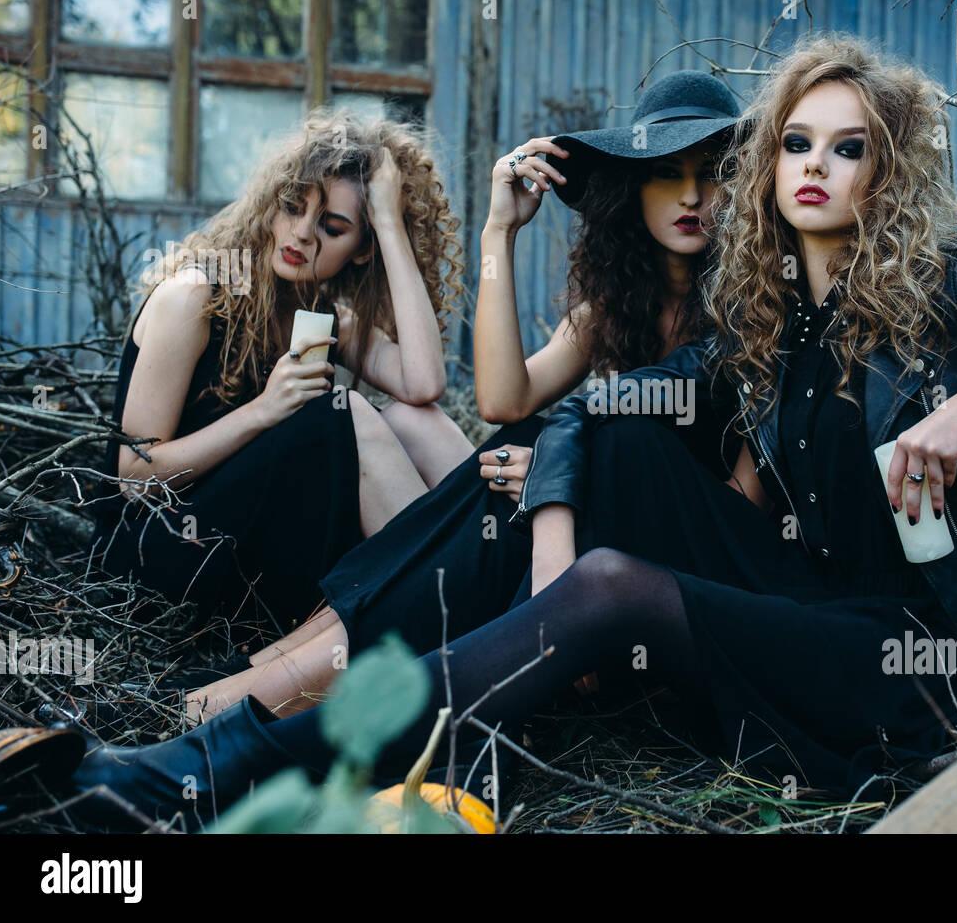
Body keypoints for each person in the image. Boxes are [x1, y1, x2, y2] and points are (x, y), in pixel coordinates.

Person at [0, 36, 957, 828]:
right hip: (811, 601)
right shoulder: (761, 322)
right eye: (793, 142)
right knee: (561, 462)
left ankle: (209, 766)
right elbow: (584, 407)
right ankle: (214, 761)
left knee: (611, 577)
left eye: (846, 147)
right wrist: (549, 535)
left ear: (886, 170)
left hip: (932, 659)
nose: (811, 165)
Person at [167, 71, 747, 725]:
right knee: (504, 462)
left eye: (715, 172)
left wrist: (580, 480)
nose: (693, 195)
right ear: (634, 187)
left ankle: (256, 690)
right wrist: (499, 232)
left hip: (680, 576)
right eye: (667, 172)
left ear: (748, 187)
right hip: (602, 532)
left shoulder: (755, 316)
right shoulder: (617, 307)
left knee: (515, 474)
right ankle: (270, 678)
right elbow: (503, 398)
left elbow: (732, 515)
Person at [83, 109, 472, 664]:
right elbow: (135, 479)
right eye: (293, 206)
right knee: (347, 412)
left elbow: (425, 383)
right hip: (157, 561)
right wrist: (264, 411)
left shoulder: (324, 312)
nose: (301, 234)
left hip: (253, 548)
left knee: (417, 421)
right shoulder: (194, 297)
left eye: (333, 227)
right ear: (272, 204)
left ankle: (471, 582)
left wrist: (388, 223)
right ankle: (454, 604)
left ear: (360, 250)